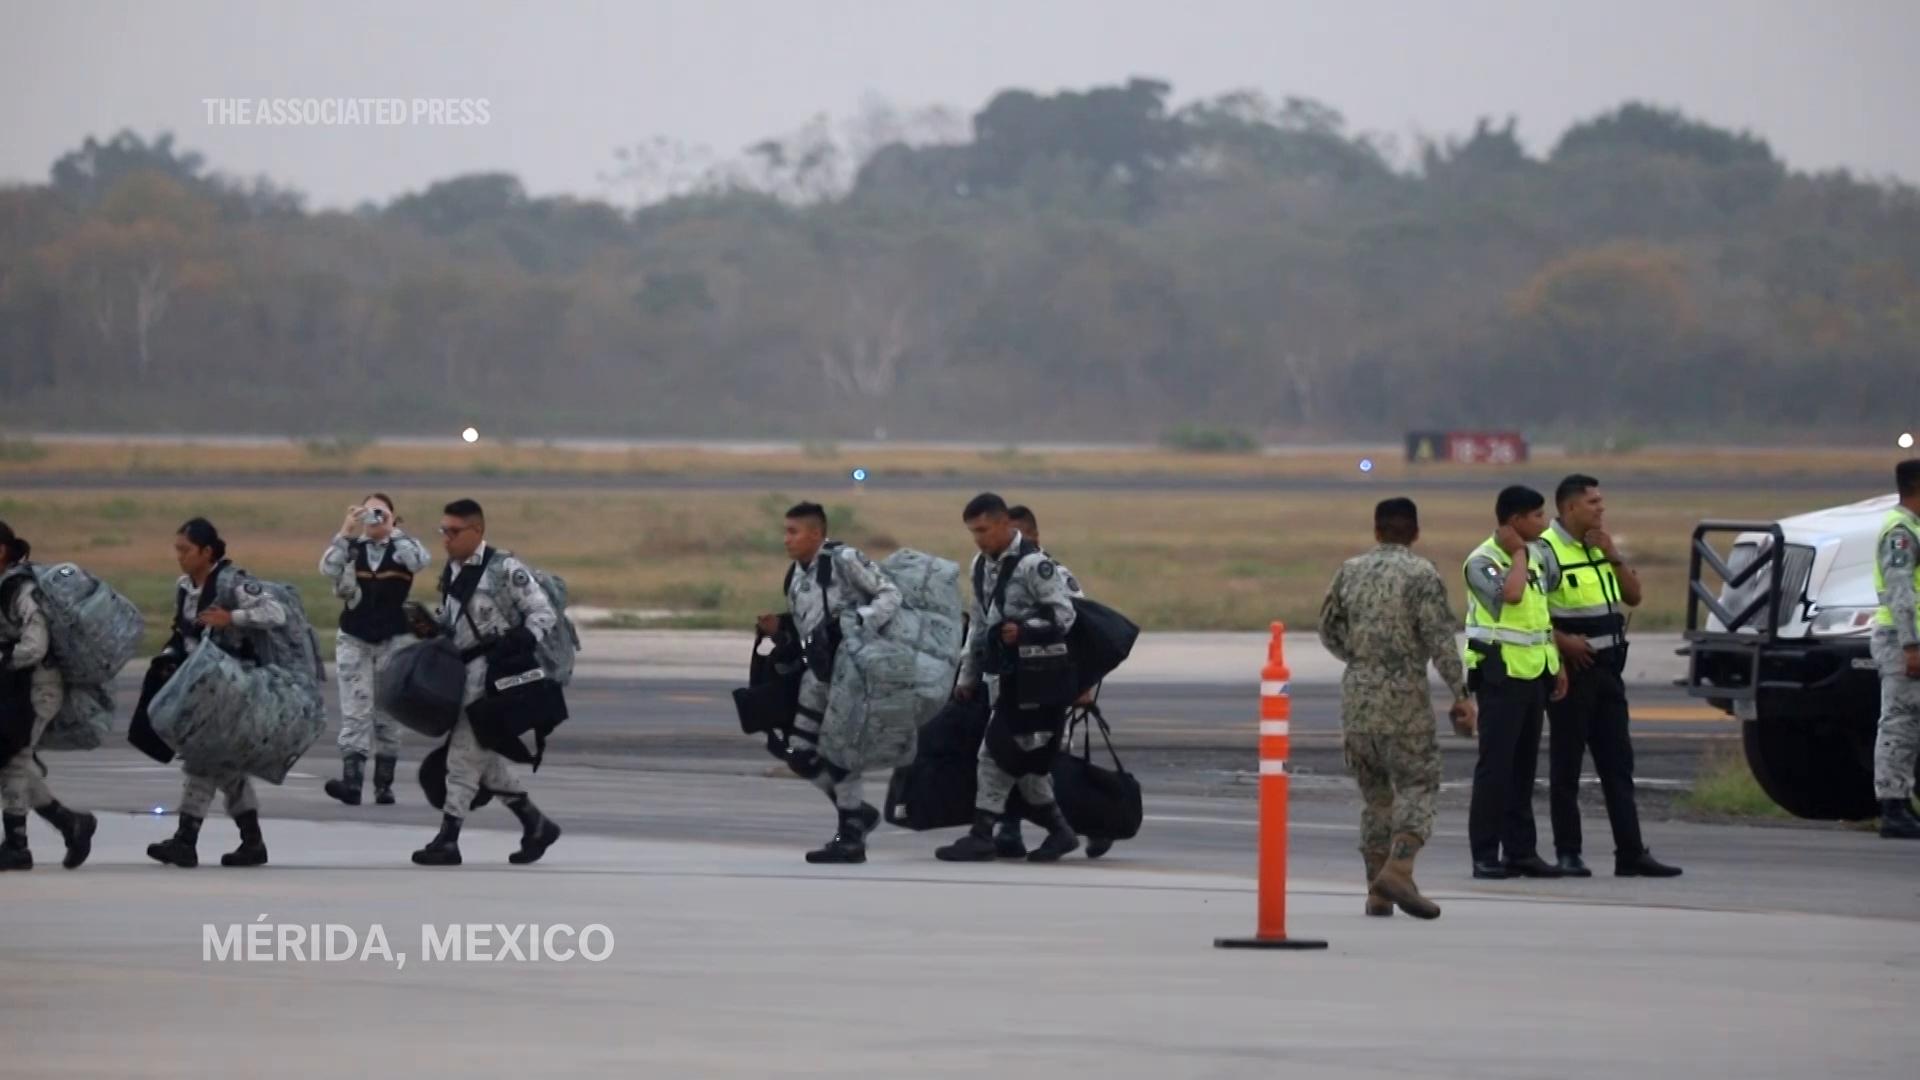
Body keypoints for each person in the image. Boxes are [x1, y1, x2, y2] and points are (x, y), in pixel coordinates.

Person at [1319, 498, 1473, 919]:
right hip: (1404, 699)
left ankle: (1378, 891)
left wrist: (1361, 659)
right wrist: (1461, 693)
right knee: (1418, 783)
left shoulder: (1349, 570)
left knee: (1376, 797)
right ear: (1415, 533)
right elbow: (1440, 640)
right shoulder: (1422, 574)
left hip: (1357, 699)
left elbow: (1328, 628)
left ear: (1377, 531)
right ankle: (1399, 870)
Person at [411, 499, 564, 867]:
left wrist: (522, 639)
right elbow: (454, 622)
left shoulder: (504, 569)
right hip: (462, 674)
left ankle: (448, 840)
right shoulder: (453, 571)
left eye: (453, 531)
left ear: (476, 531)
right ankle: (536, 824)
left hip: (493, 678)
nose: (446, 538)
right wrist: (431, 628)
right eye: (443, 531)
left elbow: (543, 612)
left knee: (463, 757)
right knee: (481, 756)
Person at [1543, 475, 1681, 877]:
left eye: (1601, 501)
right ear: (1570, 507)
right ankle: (1568, 852)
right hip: (1572, 674)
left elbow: (1633, 596)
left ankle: (1631, 853)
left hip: (1608, 672)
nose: (1601, 508)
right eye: (1593, 502)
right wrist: (1562, 643)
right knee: (1566, 768)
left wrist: (1613, 554)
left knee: (1618, 766)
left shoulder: (1601, 547)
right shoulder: (1545, 552)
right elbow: (1528, 613)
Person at [935, 494, 1081, 863]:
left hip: (1036, 680)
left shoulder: (1035, 565)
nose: (978, 539)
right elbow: (979, 624)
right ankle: (1060, 831)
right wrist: (967, 677)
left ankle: (982, 834)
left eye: (983, 530)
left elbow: (1065, 614)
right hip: (1002, 678)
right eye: (973, 532)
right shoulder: (981, 565)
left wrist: (1026, 630)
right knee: (1022, 759)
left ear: (1004, 524)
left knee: (994, 752)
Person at [754, 502, 902, 863]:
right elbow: (806, 631)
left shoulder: (843, 559)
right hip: (817, 676)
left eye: (793, 532)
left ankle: (851, 836)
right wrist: (780, 630)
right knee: (799, 756)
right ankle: (857, 813)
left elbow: (890, 595)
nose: (786, 539)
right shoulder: (795, 576)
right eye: (786, 531)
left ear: (816, 533)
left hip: (853, 673)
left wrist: (855, 622)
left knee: (839, 752)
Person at [144, 519, 287, 869]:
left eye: (186, 550)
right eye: (177, 550)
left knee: (203, 759)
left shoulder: (233, 582)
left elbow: (275, 612)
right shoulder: (184, 588)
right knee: (225, 766)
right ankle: (252, 842)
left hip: (234, 687)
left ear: (207, 552)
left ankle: (185, 840)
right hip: (201, 689)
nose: (179, 556)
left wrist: (232, 617)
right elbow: (184, 633)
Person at [1463, 487, 1568, 880]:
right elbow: (1511, 595)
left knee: (1524, 769)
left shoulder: (1538, 555)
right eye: (1537, 516)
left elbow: (1541, 615)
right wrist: (1518, 555)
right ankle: (1485, 854)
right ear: (1514, 521)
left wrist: (1557, 664)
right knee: (1495, 769)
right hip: (1501, 675)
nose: (1543, 522)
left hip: (1534, 671)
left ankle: (1521, 851)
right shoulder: (1482, 561)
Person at [996, 504, 1104, 859]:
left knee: (1050, 761)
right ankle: (1009, 828)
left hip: (1052, 683)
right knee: (1006, 753)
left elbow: (1081, 629)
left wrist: (1084, 685)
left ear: (1034, 536)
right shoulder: (997, 573)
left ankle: (1092, 823)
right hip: (1014, 683)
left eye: (1015, 535)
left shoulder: (1054, 574)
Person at [319, 494, 431, 807]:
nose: (374, 518)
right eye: (369, 511)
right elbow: (327, 569)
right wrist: (346, 530)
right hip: (354, 637)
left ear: (393, 516)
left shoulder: (404, 547)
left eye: (380, 512)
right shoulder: (352, 548)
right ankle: (352, 784)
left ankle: (384, 785)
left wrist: (392, 530)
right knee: (355, 712)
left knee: (387, 714)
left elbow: (419, 562)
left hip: (394, 640)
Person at [0, 523, 98, 871]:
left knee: (14, 760)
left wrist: (5, 658)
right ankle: (70, 823)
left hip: (38, 687)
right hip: (15, 687)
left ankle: (17, 846)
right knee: (12, 760)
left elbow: (35, 645)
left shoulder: (21, 590)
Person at [1872, 459, 1920, 839]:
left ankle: (1904, 803)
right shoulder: (1900, 532)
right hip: (1900, 639)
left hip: (1908, 637)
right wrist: (1911, 645)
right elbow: (1901, 592)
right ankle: (1893, 807)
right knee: (1899, 724)